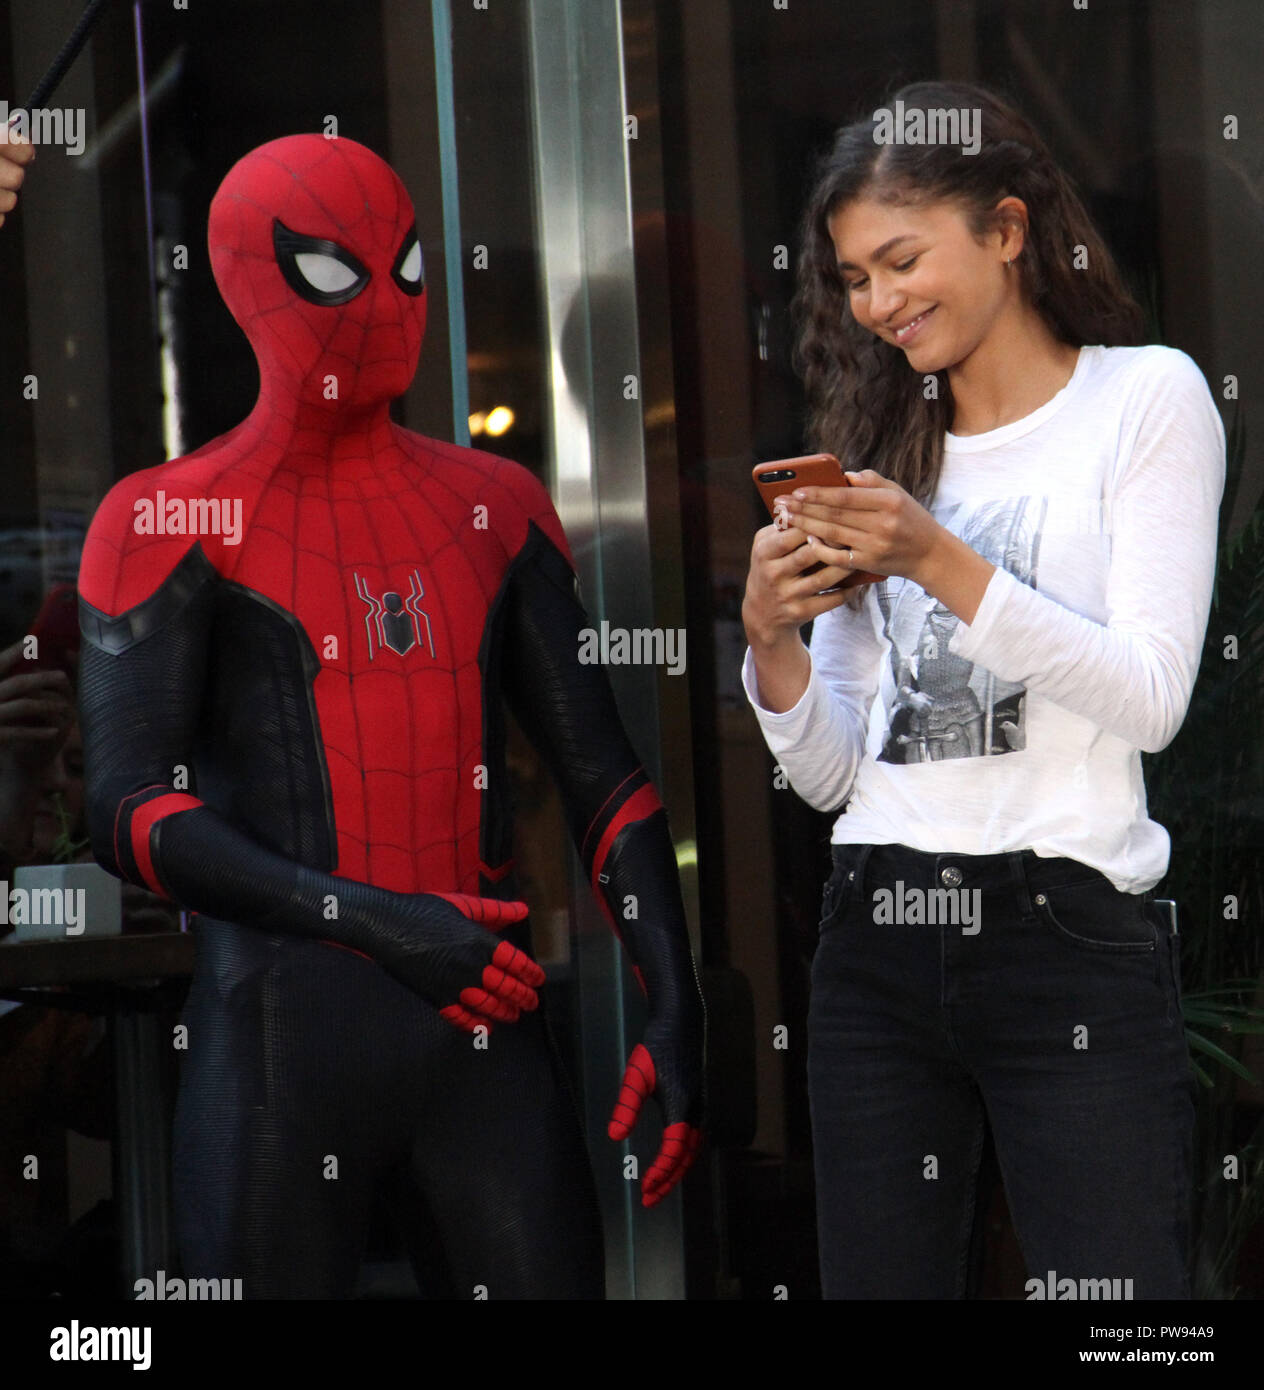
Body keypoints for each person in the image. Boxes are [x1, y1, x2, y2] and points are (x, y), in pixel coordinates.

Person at [76, 134, 704, 1299]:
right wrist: (373, 919)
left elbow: (605, 781)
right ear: (242, 279)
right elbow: (124, 807)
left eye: (408, 266)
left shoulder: (494, 504)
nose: (384, 305)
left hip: (480, 1029)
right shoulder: (165, 515)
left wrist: (677, 998)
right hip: (280, 1038)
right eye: (333, 271)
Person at [741, 80, 1224, 1299]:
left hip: (1064, 935)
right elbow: (836, 773)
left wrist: (935, 560)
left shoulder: (1143, 399)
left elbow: (1155, 696)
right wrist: (771, 647)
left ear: (1007, 230)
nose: (879, 304)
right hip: (873, 935)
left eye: (899, 260)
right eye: (853, 279)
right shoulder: (882, 443)